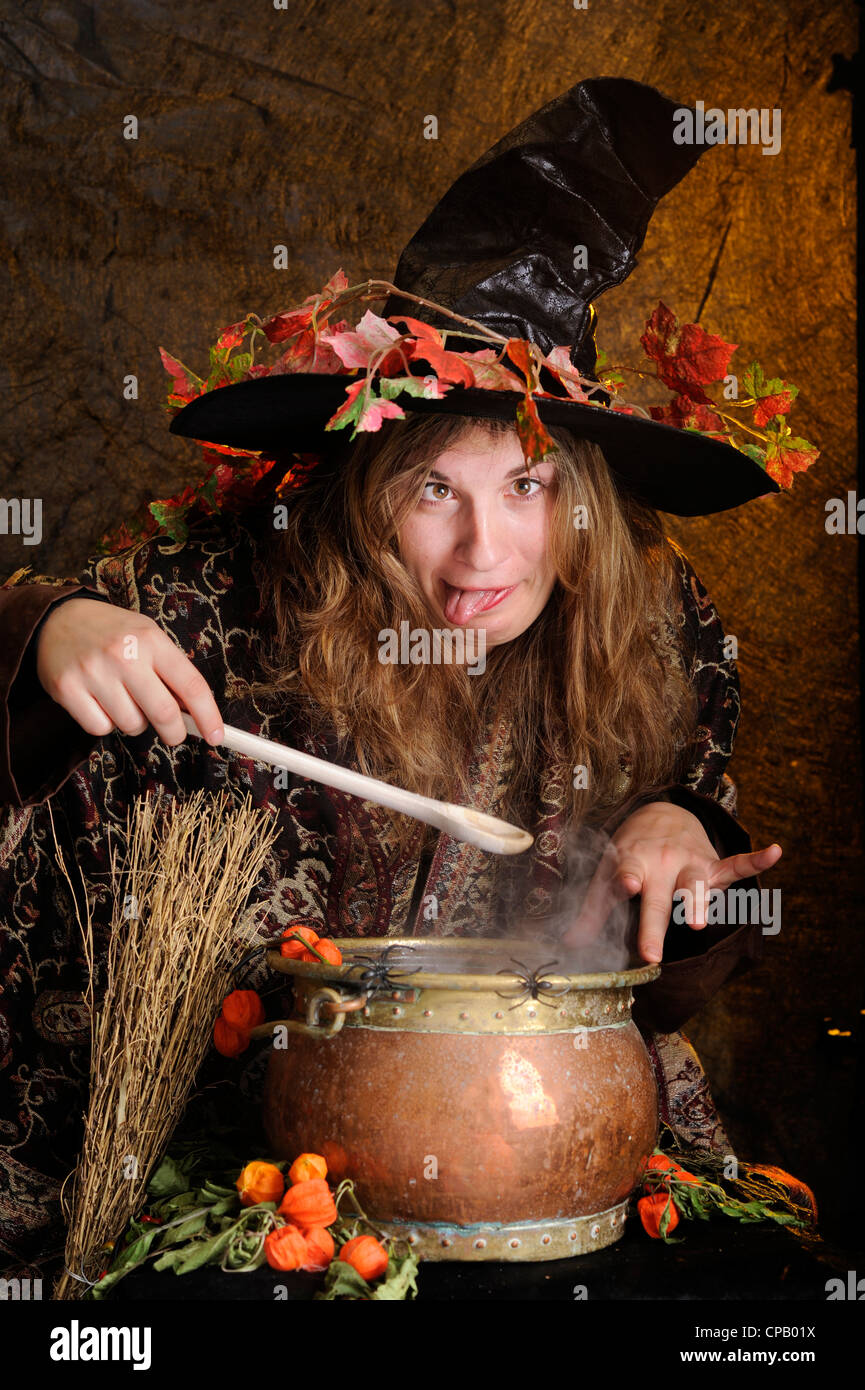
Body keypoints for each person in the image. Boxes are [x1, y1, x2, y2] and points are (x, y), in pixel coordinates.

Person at [0, 76, 801, 1272]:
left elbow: (653, 981)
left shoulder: (658, 631)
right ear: (367, 484)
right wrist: (37, 626)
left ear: (580, 497)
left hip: (531, 1157)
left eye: (527, 488)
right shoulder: (214, 596)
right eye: (436, 491)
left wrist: (675, 831)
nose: (485, 556)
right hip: (215, 1185)